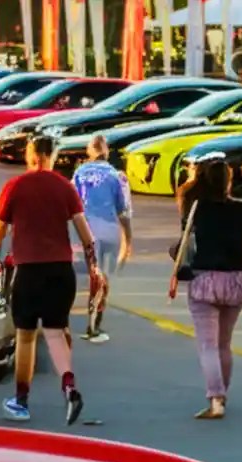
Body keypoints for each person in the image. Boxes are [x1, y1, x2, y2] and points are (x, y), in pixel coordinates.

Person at [0, 135, 101, 425]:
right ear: (53, 155)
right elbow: (86, 235)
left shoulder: (15, 187)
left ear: (30, 154)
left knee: (25, 336)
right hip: (61, 271)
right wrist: (95, 270)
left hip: (28, 270)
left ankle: (21, 401)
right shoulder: (65, 186)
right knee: (56, 332)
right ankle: (70, 389)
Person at [168, 160, 242, 419]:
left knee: (208, 345)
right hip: (235, 280)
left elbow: (185, 247)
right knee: (224, 344)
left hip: (203, 281)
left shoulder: (196, 208)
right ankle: (223, 394)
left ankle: (216, 399)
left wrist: (175, 275)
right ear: (229, 182)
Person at [70, 134, 133, 342]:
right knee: (103, 274)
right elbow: (124, 211)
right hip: (109, 229)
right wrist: (128, 241)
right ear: (106, 152)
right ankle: (97, 320)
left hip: (87, 229)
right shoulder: (116, 176)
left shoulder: (79, 174)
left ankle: (92, 320)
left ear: (90, 151)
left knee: (93, 274)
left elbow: (70, 204)